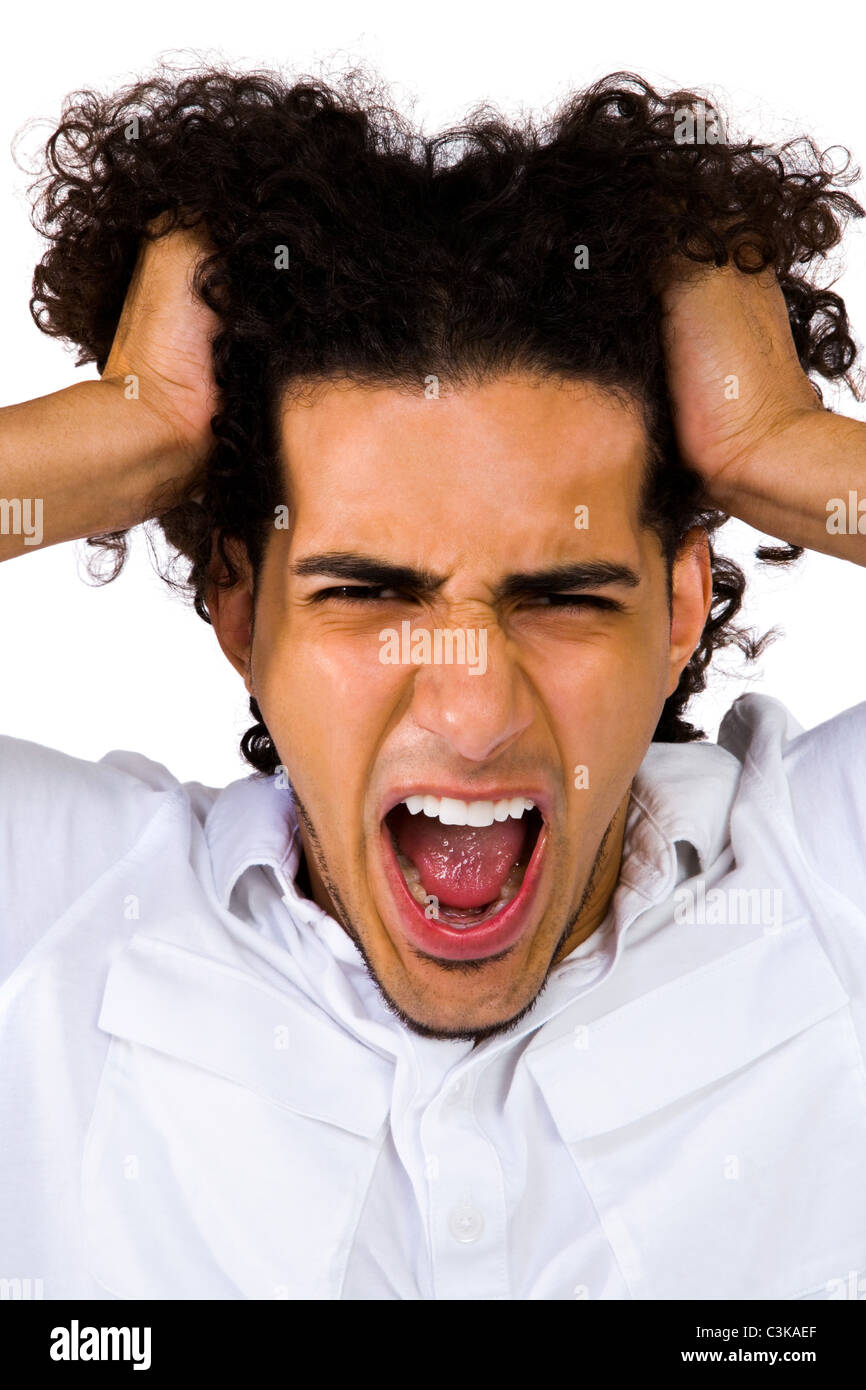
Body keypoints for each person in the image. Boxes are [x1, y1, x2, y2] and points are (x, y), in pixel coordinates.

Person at [1, 66, 865, 1302]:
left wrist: (775, 445)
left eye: (563, 596)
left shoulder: (828, 892)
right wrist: (124, 429)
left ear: (678, 605)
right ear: (241, 610)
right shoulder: (55, 925)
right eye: (368, 595)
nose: (470, 712)